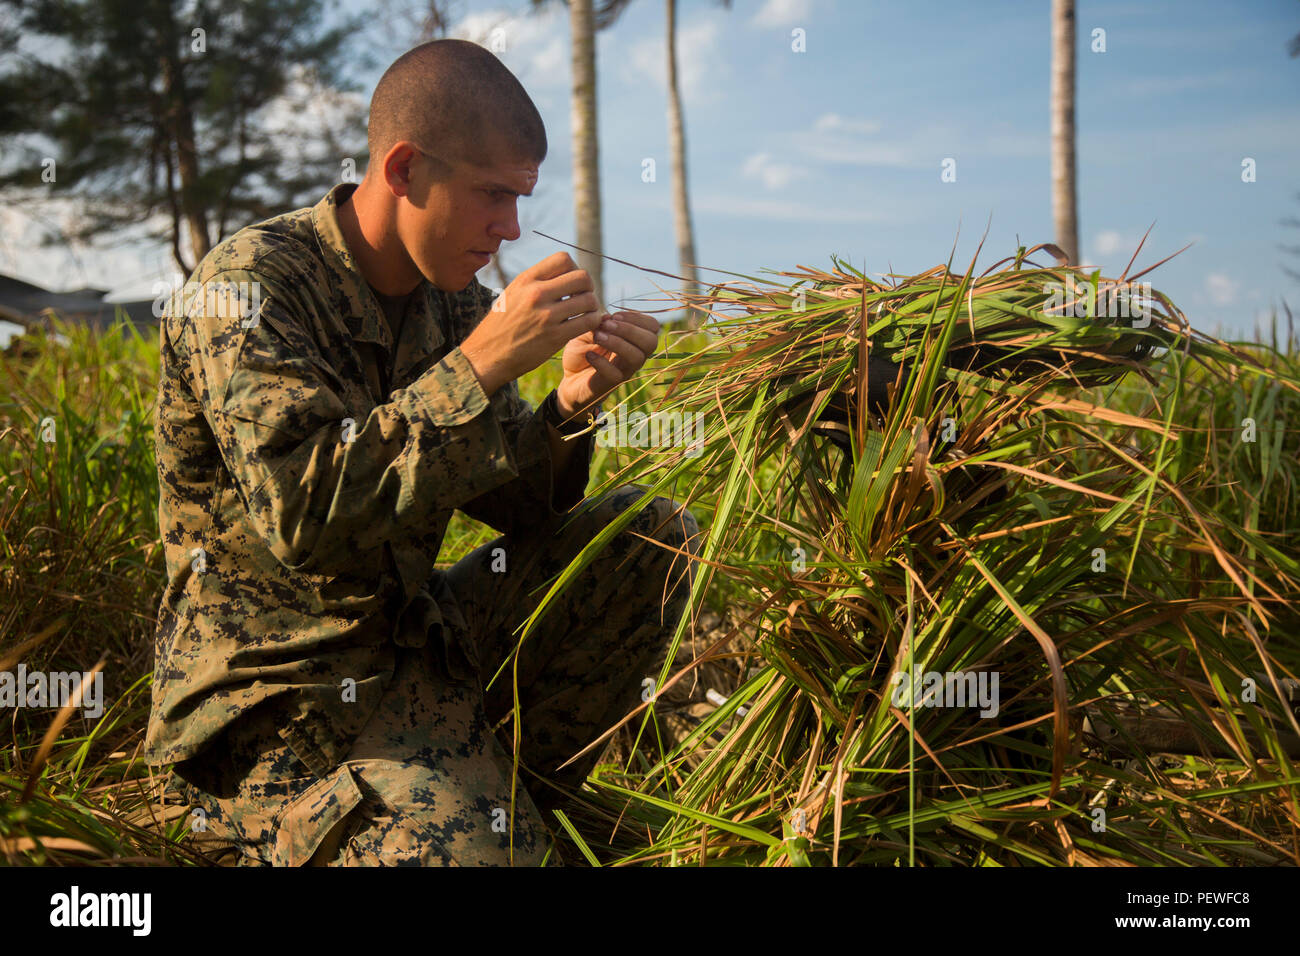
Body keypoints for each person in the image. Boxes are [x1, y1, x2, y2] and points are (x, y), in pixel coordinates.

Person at [144, 38, 697, 866]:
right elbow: (306, 519)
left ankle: (506, 780)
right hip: (272, 704)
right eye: (493, 195)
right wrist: (481, 365)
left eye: (520, 200)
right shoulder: (248, 287)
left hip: (413, 652)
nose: (509, 229)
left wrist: (566, 407)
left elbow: (518, 506)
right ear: (403, 170)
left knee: (650, 535)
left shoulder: (454, 304)